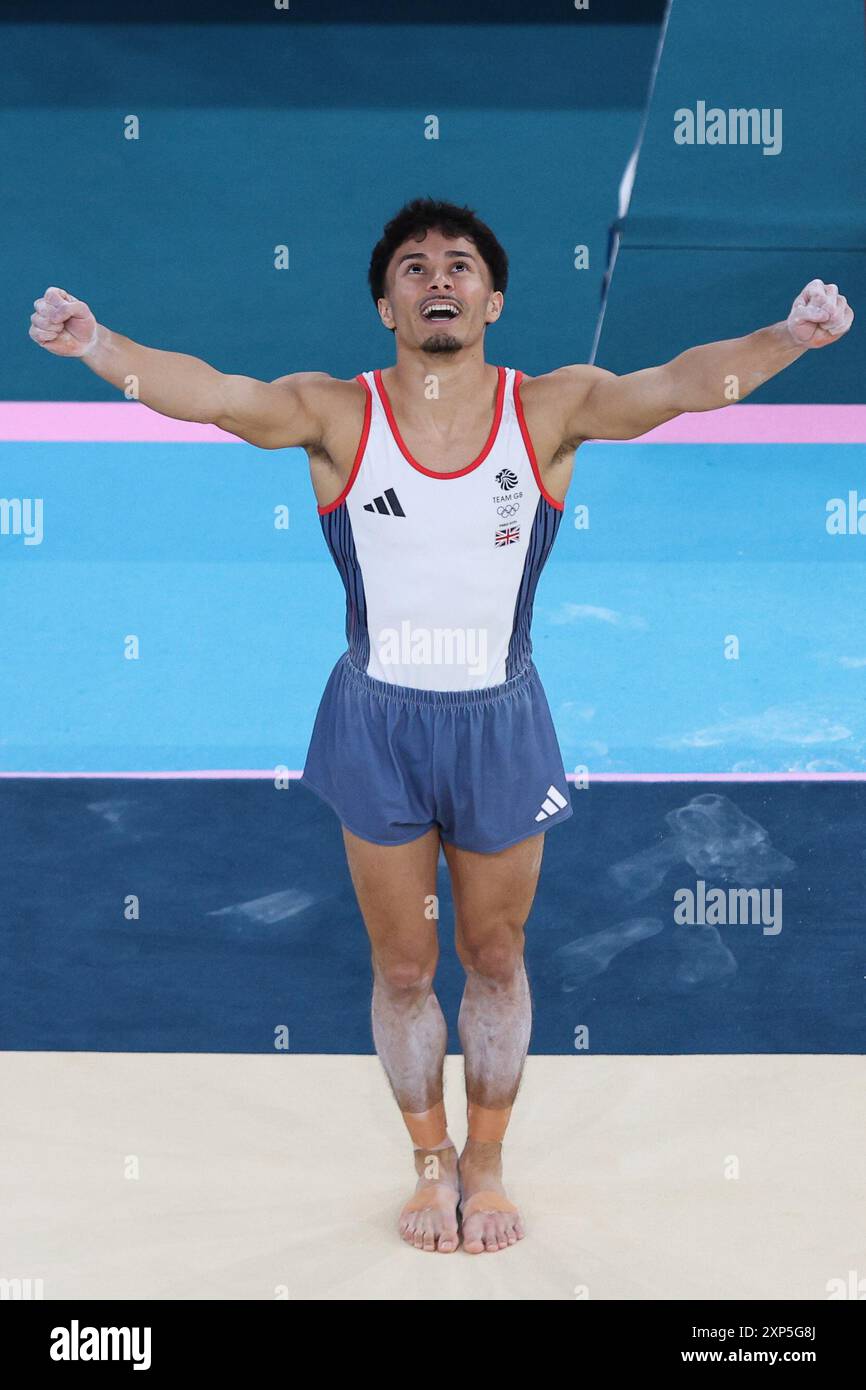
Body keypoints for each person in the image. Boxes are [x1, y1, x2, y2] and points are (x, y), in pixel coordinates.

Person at [30, 197, 853, 1254]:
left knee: (496, 952)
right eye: (413, 267)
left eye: (459, 266)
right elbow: (214, 398)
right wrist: (99, 345)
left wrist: (787, 336)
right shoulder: (335, 413)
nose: (437, 280)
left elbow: (679, 389)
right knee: (407, 967)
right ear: (385, 304)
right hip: (376, 724)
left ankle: (488, 1160)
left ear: (492, 299)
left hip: (499, 720)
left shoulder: (549, 409)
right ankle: (428, 1163)